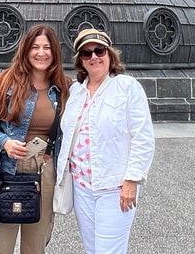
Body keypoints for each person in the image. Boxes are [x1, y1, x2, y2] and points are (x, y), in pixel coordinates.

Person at [56, 28, 155, 254]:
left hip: (114, 187)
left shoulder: (127, 87)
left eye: (99, 50)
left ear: (110, 55)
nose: (94, 57)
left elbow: (143, 136)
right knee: (92, 249)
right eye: (86, 53)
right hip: (81, 186)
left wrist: (132, 180)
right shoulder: (75, 92)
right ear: (80, 61)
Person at [0, 25, 71, 254]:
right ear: (26, 50)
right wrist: (4, 142)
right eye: (35, 47)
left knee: (36, 246)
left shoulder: (64, 88)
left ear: (55, 52)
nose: (41, 53)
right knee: (1, 245)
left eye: (47, 47)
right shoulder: (6, 82)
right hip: (9, 168)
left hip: (44, 170)